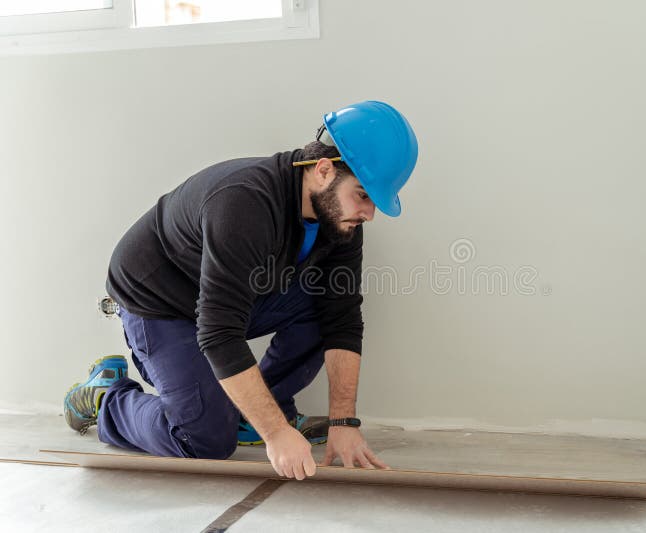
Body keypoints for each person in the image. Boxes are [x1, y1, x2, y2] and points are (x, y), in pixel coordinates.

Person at [63, 101, 418, 481]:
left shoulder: (340, 222)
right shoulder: (244, 203)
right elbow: (219, 333)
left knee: (325, 302)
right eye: (363, 195)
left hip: (226, 298)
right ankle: (107, 399)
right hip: (159, 302)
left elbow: (342, 318)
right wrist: (277, 434)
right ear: (324, 171)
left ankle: (257, 411)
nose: (369, 213)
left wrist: (343, 421)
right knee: (203, 440)